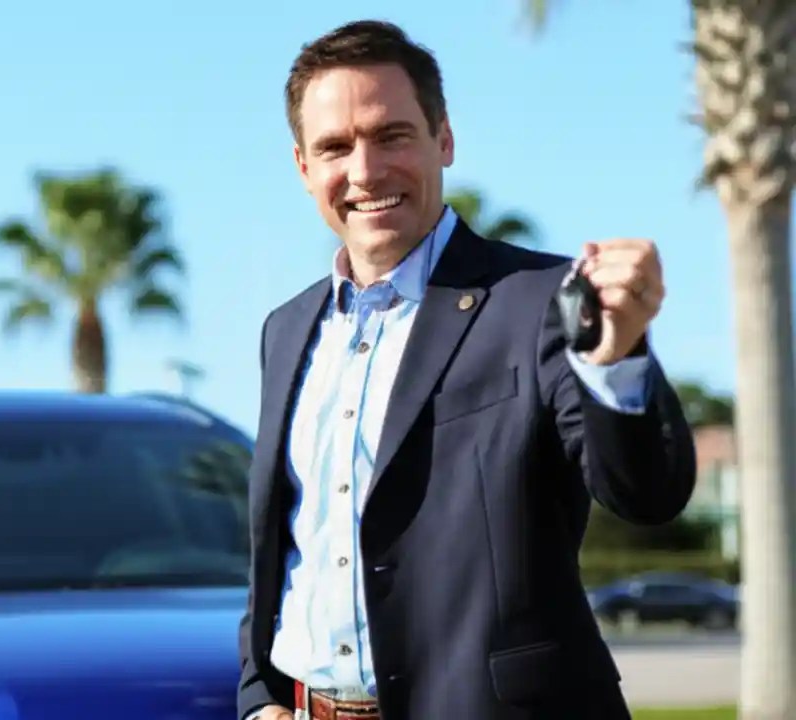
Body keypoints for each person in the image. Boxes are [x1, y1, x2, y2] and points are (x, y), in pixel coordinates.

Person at [238, 19, 696, 720]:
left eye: (392, 135)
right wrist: (259, 696)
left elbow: (647, 493)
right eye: (335, 147)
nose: (365, 172)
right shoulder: (286, 330)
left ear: (443, 140)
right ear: (304, 168)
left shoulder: (540, 302)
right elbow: (282, 546)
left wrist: (616, 357)